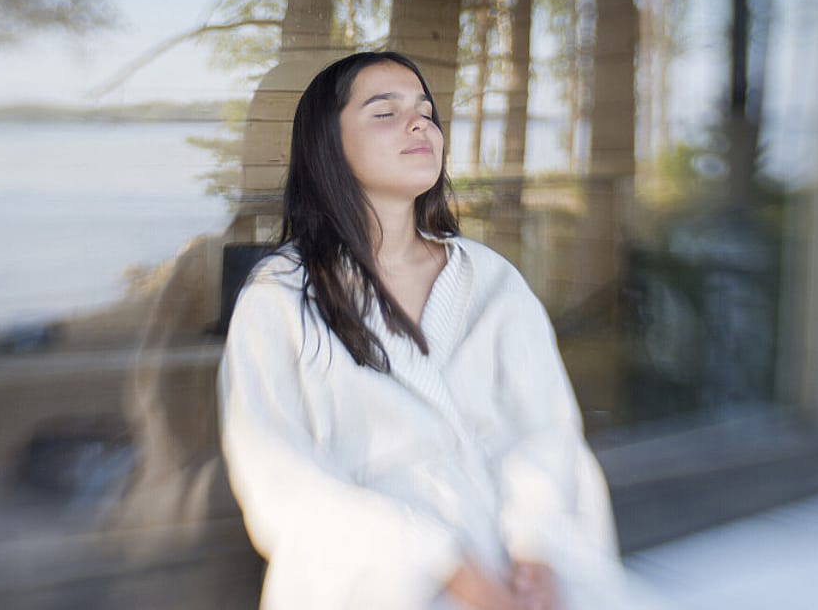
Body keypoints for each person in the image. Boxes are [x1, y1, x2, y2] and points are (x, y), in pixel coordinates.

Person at [218, 51, 639, 609]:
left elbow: (544, 428)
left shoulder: (490, 279)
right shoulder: (282, 296)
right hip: (371, 578)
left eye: (426, 112)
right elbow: (279, 481)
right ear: (328, 144)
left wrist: (534, 548)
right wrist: (443, 565)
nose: (420, 124)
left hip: (511, 560)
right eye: (385, 113)